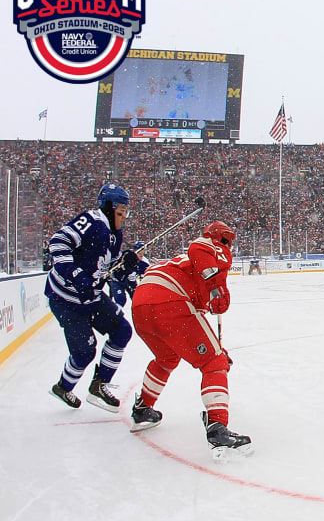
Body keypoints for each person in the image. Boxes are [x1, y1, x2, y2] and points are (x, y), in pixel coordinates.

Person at [130, 221, 252, 457]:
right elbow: (200, 247)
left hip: (141, 305)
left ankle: (143, 409)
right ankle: (218, 427)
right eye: (228, 241)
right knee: (215, 363)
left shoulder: (179, 263)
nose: (230, 248)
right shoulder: (212, 246)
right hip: (168, 302)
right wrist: (218, 287)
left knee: (166, 358)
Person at [43, 183, 134, 411]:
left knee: (122, 330)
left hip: (90, 297)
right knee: (84, 353)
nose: (124, 216)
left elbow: (108, 269)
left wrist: (126, 263)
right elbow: (57, 242)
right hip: (66, 300)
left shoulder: (115, 234)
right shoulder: (92, 221)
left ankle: (100, 384)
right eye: (121, 211)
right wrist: (75, 274)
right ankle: (63, 387)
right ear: (109, 208)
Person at [108, 240, 150, 308]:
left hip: (131, 283)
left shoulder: (143, 264)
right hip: (118, 281)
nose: (141, 253)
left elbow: (144, 278)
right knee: (121, 300)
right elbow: (114, 265)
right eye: (139, 251)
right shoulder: (126, 257)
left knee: (137, 300)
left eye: (143, 250)